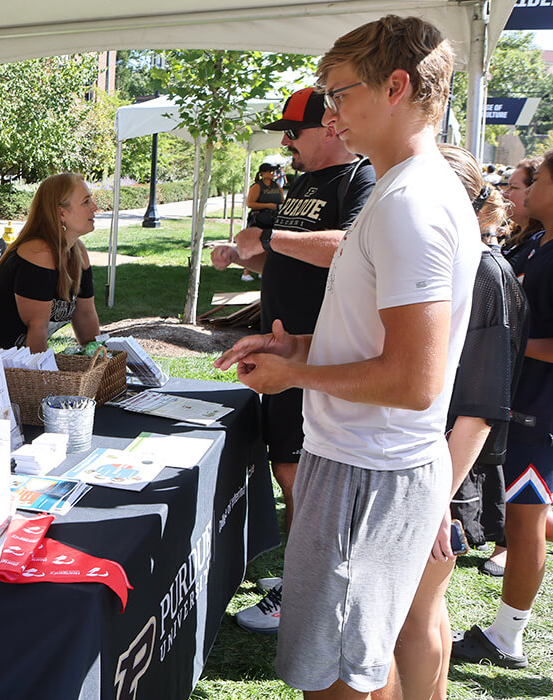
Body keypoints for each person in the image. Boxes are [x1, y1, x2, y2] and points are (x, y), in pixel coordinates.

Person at [215, 16, 481, 698]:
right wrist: (299, 345)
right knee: (361, 666)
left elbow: (415, 380)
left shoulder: (410, 203)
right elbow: (388, 346)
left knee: (335, 681)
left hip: (368, 473)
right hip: (369, 468)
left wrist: (295, 373)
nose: (329, 115)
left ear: (396, 86)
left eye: (337, 94)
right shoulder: (408, 192)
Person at [212, 85, 376, 635]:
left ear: (330, 127)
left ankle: (310, 589)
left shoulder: (361, 179)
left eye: (293, 131)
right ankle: (303, 577)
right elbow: (284, 259)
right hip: (284, 344)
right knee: (288, 467)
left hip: (322, 351)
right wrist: (246, 256)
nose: (286, 141)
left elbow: (347, 249)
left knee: (306, 472)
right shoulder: (302, 180)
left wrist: (268, 236)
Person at [392, 143, 526, 700]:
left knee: (414, 616)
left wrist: (435, 499)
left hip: (446, 473)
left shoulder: (484, 274)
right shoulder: (460, 263)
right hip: (434, 466)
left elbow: (479, 413)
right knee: (421, 612)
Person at [452, 146, 553, 671]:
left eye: (531, 182)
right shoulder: (538, 243)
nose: (521, 192)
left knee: (526, 524)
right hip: (514, 407)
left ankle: (506, 637)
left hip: (542, 416)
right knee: (518, 515)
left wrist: (507, 342)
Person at [0, 174, 99, 390]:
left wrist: (97, 364)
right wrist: (41, 389)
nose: (95, 207)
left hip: (9, 367)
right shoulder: (39, 253)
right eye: (86, 202)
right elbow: (38, 328)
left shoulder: (77, 253)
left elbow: (85, 315)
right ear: (61, 212)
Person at [245, 162, 284, 230]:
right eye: (270, 171)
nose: (273, 173)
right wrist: (268, 205)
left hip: (275, 221)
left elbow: (282, 201)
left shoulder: (277, 186)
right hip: (259, 222)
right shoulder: (257, 186)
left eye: (274, 171)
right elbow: (250, 204)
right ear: (263, 173)